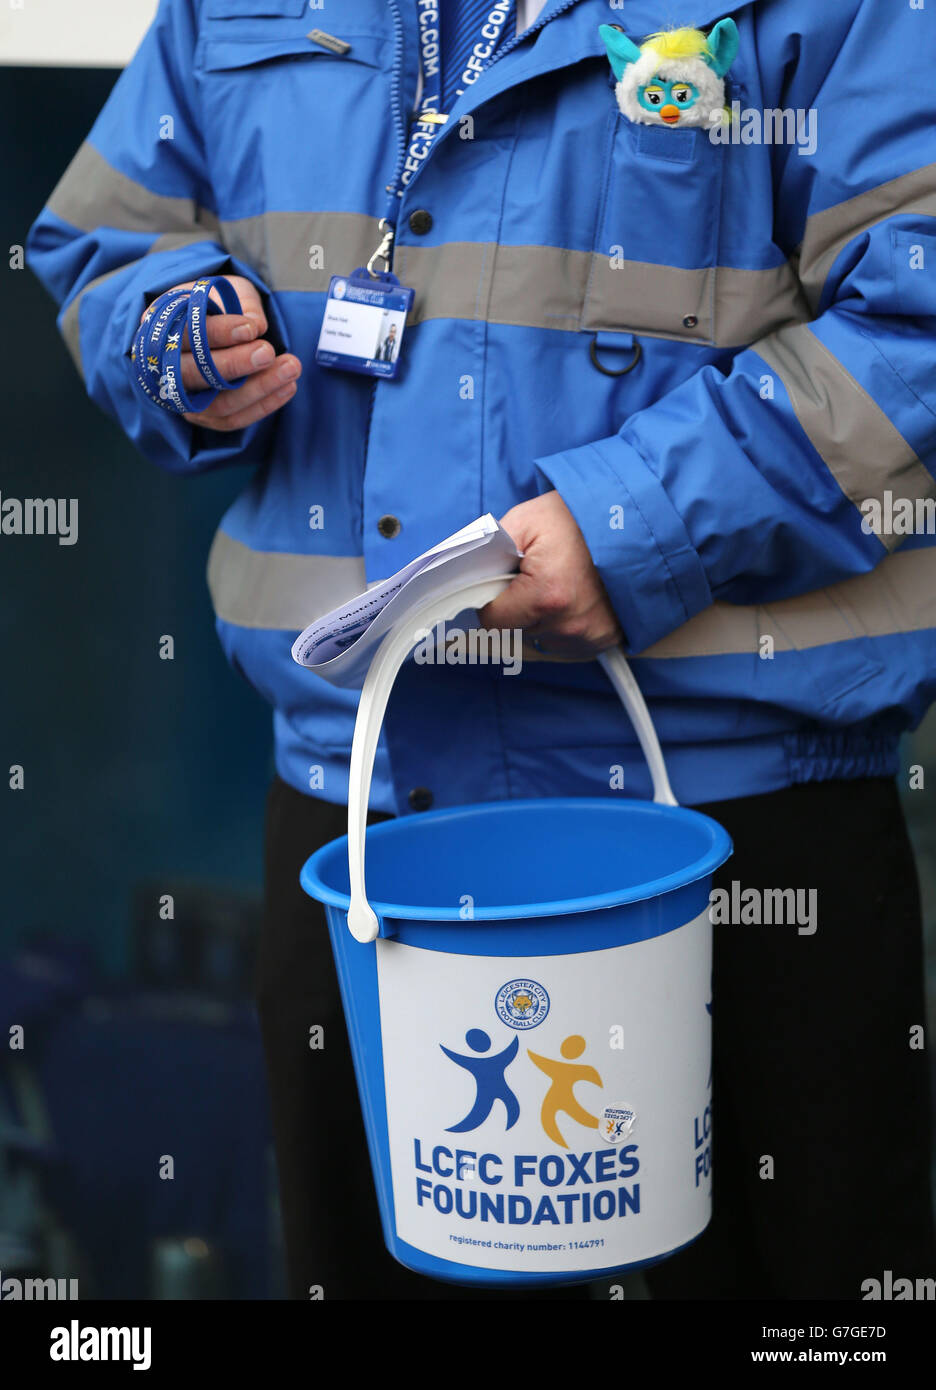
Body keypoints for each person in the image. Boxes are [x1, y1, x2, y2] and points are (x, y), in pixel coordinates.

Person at [27, 0, 936, 1302]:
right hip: (357, 836)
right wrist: (172, 337)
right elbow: (104, 236)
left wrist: (640, 522)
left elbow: (918, 310)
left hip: (728, 842)